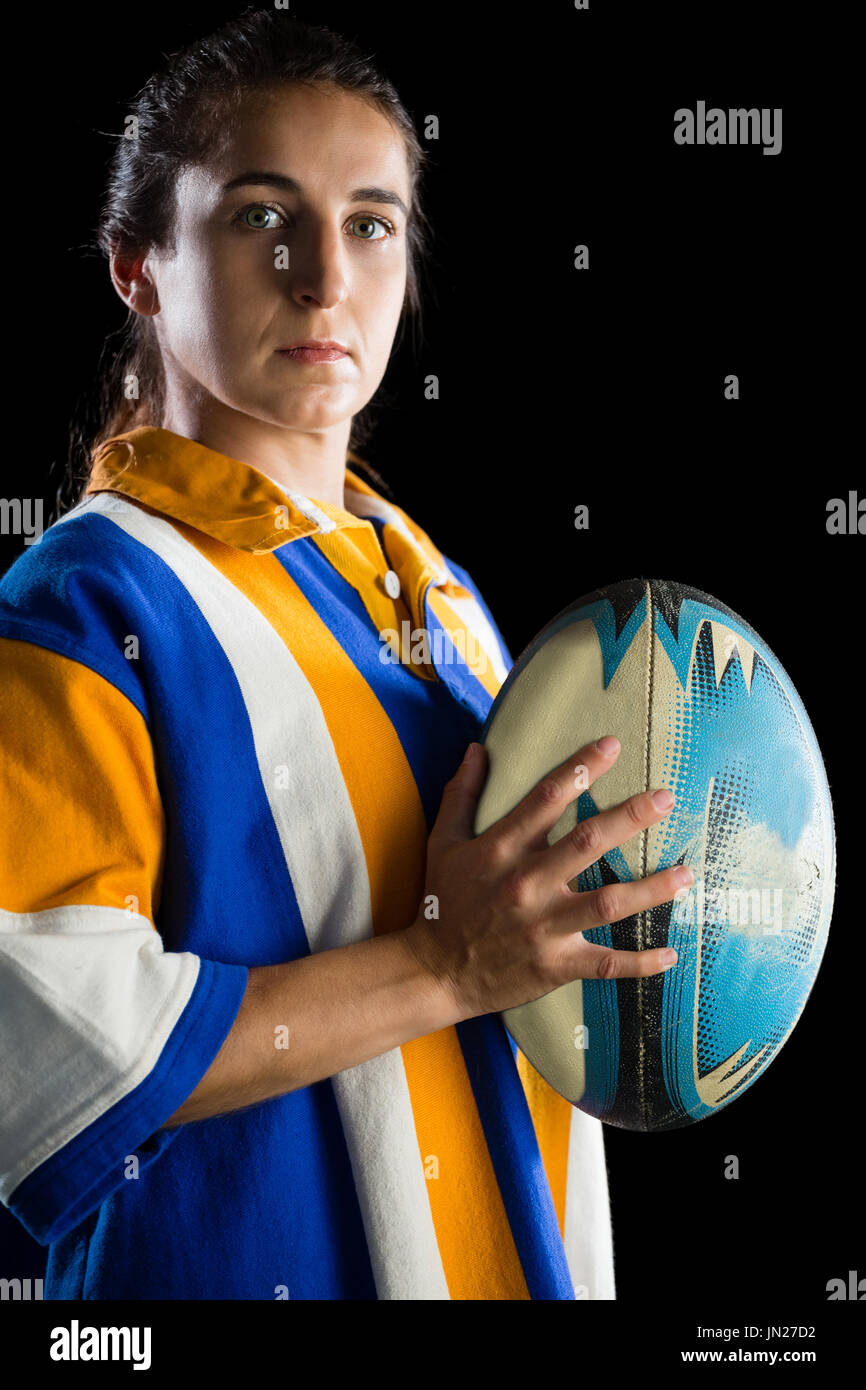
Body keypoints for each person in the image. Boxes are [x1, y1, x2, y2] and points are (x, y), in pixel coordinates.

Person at [0, 9, 686, 1300]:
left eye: (369, 222)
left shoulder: (442, 597)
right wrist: (445, 958)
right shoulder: (78, 607)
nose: (325, 276)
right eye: (264, 215)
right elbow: (42, 1053)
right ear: (136, 265)